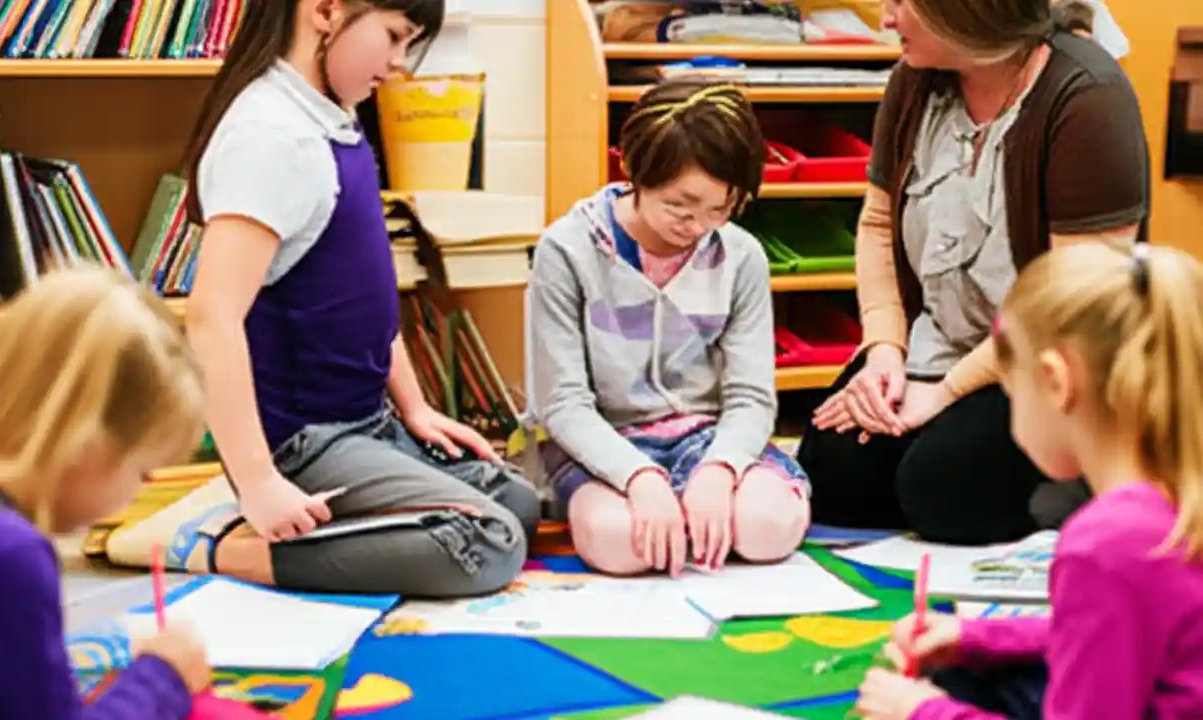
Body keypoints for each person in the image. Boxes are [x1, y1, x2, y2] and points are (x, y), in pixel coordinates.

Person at [181, 0, 539, 597]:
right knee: (487, 541)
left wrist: (417, 410)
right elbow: (211, 318)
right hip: (304, 444)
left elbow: (358, 298)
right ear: (324, 11)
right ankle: (219, 547)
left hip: (369, 424)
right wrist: (259, 480)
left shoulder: (332, 118)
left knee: (516, 501)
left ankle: (337, 528)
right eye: (395, 37)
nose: (400, 65)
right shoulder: (271, 137)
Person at [796, 0, 1150, 545]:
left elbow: (1075, 297)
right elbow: (877, 225)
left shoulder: (1088, 97)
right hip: (939, 344)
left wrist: (944, 394)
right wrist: (884, 351)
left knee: (942, 492)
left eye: (899, 5)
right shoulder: (913, 81)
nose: (885, 20)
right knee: (831, 469)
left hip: (1047, 359)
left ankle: (1090, 476)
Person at [853, 242, 1203, 720]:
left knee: (941, 690)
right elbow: (1108, 632)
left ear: (1055, 382)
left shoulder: (1107, 543)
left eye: (1013, 391)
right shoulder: (1180, 496)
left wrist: (925, 713)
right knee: (969, 671)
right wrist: (978, 637)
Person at [528, 78, 811, 577]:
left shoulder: (740, 255)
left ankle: (695, 502)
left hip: (704, 435)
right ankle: (665, 504)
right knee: (621, 543)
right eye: (679, 206)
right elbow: (564, 405)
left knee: (769, 527)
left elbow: (751, 397)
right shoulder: (566, 250)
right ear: (634, 169)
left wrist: (720, 470)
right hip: (606, 444)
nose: (697, 226)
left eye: (720, 209)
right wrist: (639, 476)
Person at [0, 267, 210, 719]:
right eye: (143, 472)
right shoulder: (5, 554)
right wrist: (162, 676)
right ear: (85, 447)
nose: (136, 493)